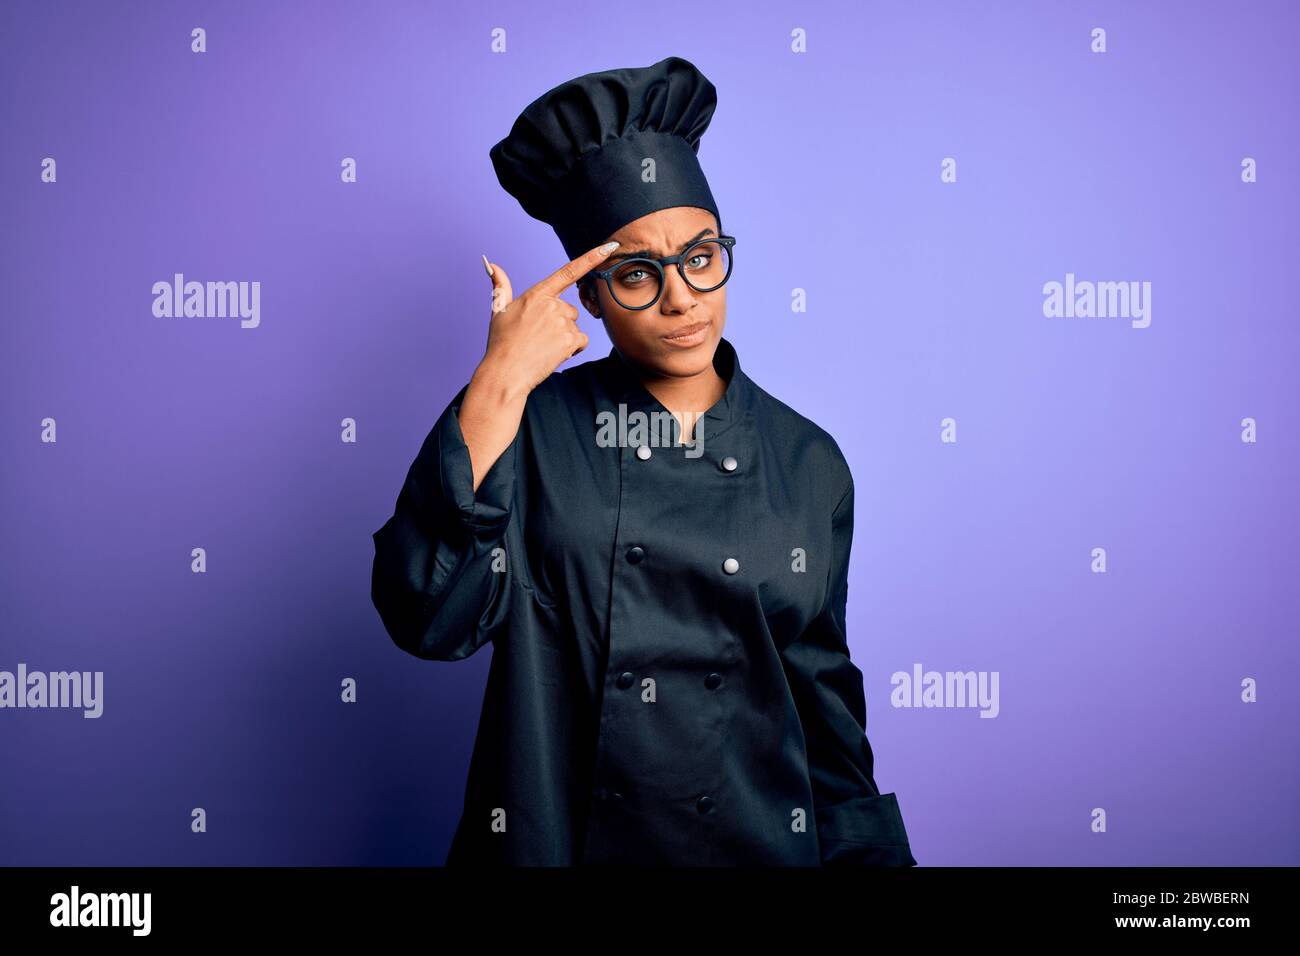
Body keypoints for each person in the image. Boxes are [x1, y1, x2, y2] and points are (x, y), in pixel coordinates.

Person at [370, 56, 917, 866]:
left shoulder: (808, 464)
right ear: (588, 296)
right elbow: (427, 619)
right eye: (636, 275)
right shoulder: (532, 427)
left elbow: (823, 703)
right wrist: (499, 380)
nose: (681, 298)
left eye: (700, 258)